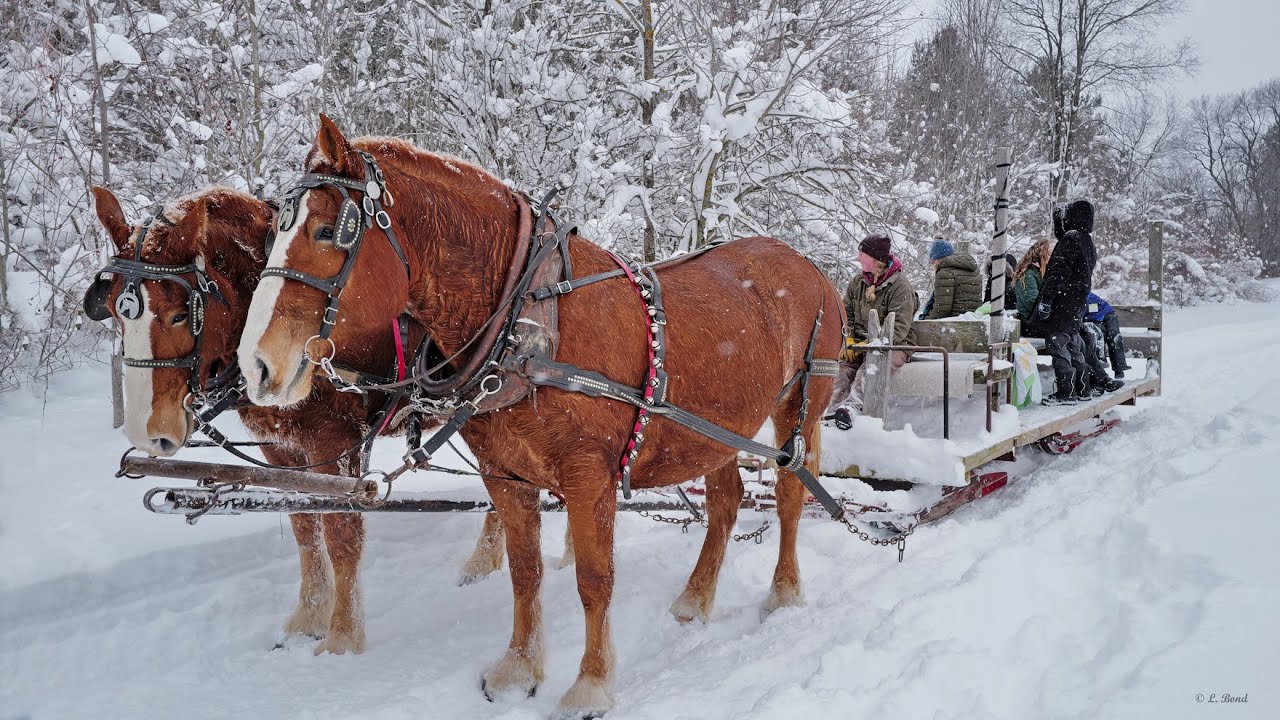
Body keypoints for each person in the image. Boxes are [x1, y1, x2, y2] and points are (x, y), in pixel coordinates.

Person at [1030, 201, 1122, 404]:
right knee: (1073, 344)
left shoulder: (1071, 240)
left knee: (1058, 346)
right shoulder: (1086, 241)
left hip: (1062, 302)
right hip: (1077, 303)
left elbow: (1058, 272)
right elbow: (1068, 250)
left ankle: (1066, 392)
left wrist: (1046, 299)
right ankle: (1083, 389)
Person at [825, 234, 918, 429]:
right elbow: (845, 313)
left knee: (872, 366)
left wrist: (866, 346)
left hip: (894, 345)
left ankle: (853, 408)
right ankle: (830, 410)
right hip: (860, 343)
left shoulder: (900, 286)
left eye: (862, 253)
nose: (858, 258)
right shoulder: (857, 283)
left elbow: (899, 327)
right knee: (842, 369)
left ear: (875, 259)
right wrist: (848, 339)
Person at [919, 238, 984, 320]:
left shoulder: (945, 273)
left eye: (932, 261)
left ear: (938, 259)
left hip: (954, 323)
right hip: (973, 319)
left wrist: (925, 321)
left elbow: (941, 309)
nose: (932, 265)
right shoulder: (972, 268)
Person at [1084, 291, 1132, 378]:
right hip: (1095, 316)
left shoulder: (1082, 295)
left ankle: (1119, 368)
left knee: (1114, 339)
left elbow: (1093, 310)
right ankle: (1101, 364)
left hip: (1105, 314)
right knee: (1099, 335)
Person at [1012, 238, 1054, 324]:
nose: (1053, 258)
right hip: (1031, 322)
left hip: (1038, 321)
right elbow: (1032, 303)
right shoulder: (1028, 274)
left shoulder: (1041, 273)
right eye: (1050, 254)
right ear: (1041, 255)